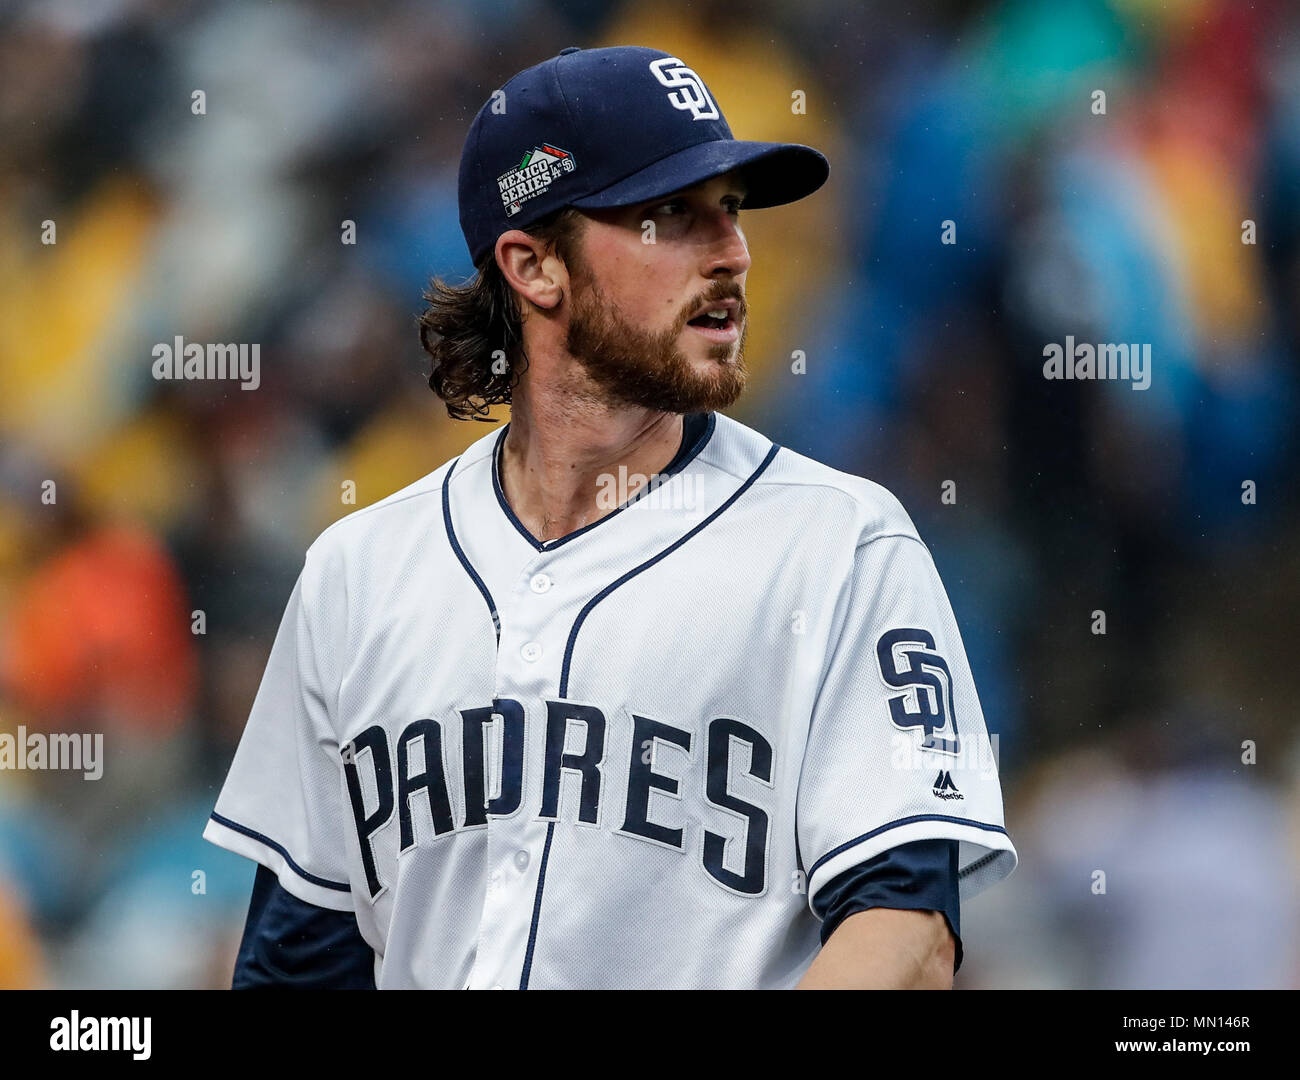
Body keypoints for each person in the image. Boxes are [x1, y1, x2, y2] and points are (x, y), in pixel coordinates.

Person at [206, 45, 1017, 990]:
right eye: (670, 215)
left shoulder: (840, 546)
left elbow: (909, 939)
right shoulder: (359, 571)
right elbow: (298, 965)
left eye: (731, 211)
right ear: (535, 264)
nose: (733, 253)